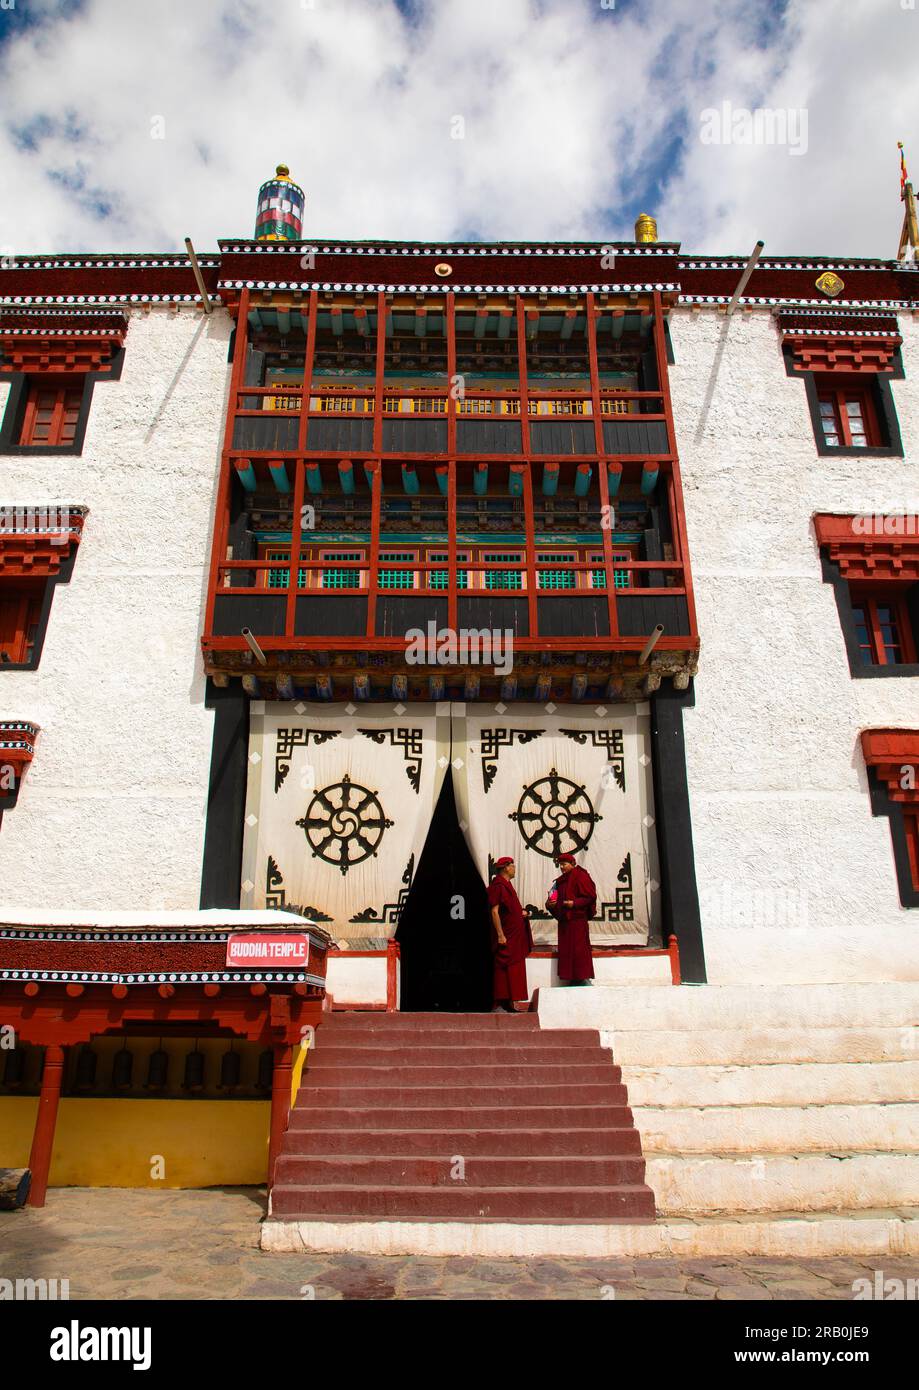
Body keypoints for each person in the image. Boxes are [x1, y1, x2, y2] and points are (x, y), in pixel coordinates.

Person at [487, 856, 533, 1012]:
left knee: (513, 969)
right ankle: (500, 1003)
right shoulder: (498, 886)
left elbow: (509, 910)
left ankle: (508, 1002)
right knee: (502, 968)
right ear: (506, 867)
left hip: (514, 936)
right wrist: (500, 934)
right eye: (512, 865)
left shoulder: (508, 886)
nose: (514, 868)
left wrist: (520, 914)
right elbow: (494, 912)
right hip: (506, 936)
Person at [546, 850, 596, 985]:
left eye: (565, 864)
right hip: (565, 922)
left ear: (573, 863)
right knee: (567, 952)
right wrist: (550, 904)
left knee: (579, 951)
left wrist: (574, 903)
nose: (562, 867)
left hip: (577, 921)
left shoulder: (581, 876)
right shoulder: (560, 881)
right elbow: (552, 897)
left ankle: (582, 978)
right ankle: (571, 978)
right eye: (560, 864)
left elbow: (590, 896)